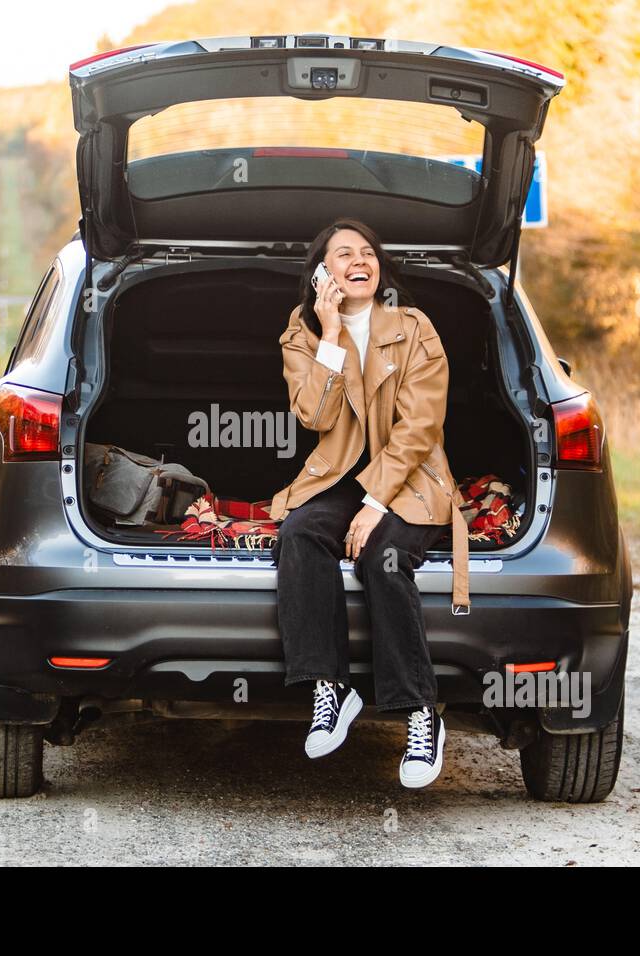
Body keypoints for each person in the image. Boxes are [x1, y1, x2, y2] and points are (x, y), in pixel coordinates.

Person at [268, 218, 470, 789]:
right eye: (343, 254)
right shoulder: (301, 335)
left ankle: (420, 712)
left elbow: (420, 425)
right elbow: (315, 416)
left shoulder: (414, 328)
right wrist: (331, 334)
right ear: (322, 273)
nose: (359, 261)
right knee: (299, 534)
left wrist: (375, 502)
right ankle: (331, 688)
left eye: (367, 253)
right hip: (340, 477)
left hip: (413, 478)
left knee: (383, 558)